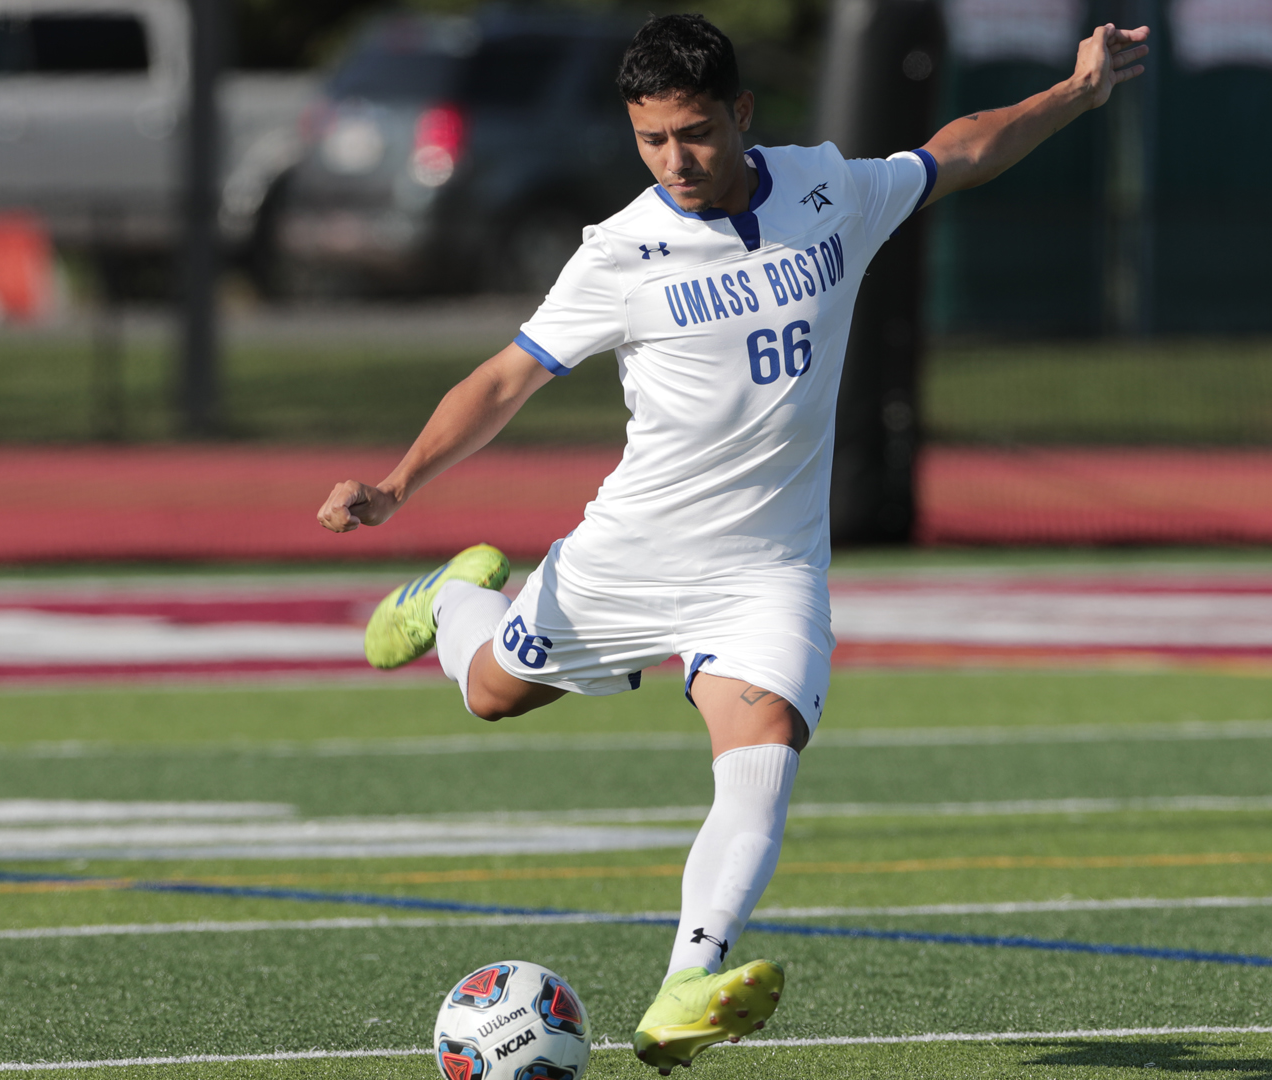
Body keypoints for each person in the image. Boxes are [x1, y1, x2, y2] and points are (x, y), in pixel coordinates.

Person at [317, 12, 1147, 1073]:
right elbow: (504, 379)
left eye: (696, 133)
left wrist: (1074, 94)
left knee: (760, 754)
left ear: (743, 114)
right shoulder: (620, 252)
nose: (675, 160)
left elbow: (961, 151)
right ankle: (449, 597)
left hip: (768, 566)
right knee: (490, 692)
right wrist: (395, 485)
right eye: (651, 140)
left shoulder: (827, 191)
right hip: (634, 550)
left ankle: (682, 986)